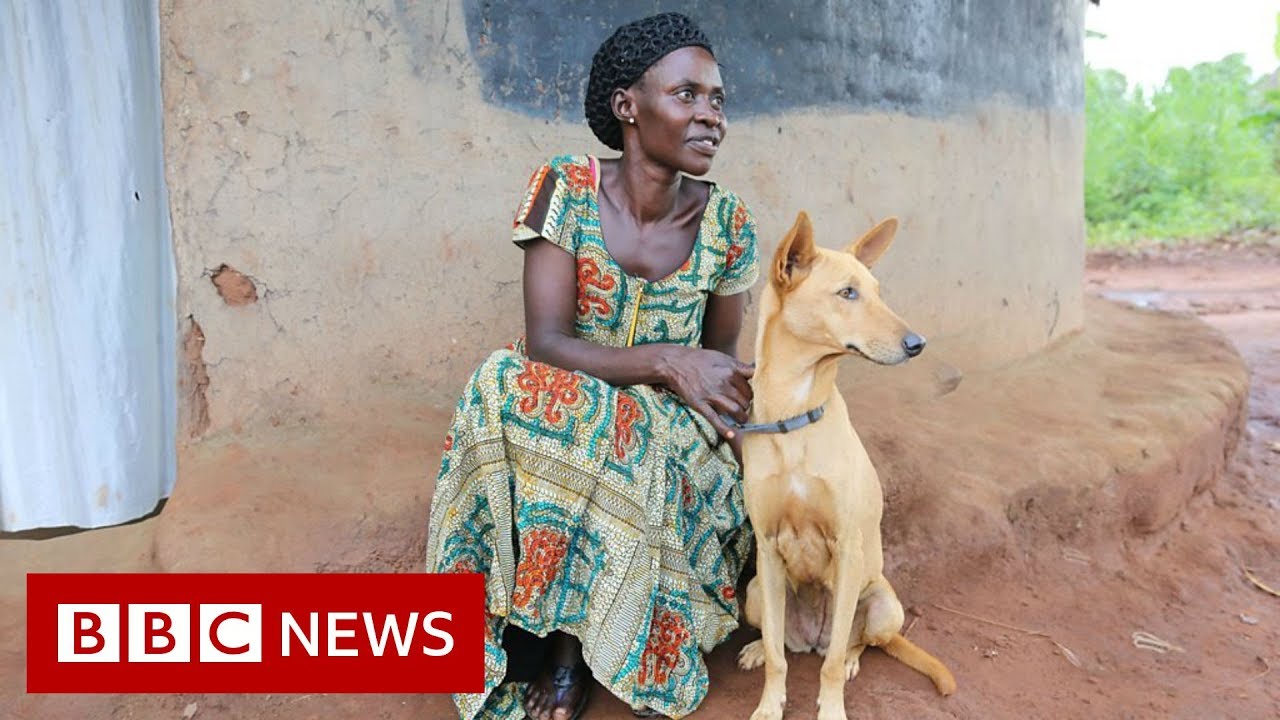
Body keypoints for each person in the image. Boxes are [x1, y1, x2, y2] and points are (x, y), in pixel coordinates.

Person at [425, 12, 759, 720]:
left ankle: (579, 652)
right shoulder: (564, 187)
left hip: (666, 426)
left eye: (718, 100)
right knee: (502, 382)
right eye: (687, 95)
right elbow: (546, 341)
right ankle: (523, 633)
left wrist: (731, 426)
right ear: (627, 107)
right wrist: (666, 361)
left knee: (628, 431)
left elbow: (720, 364)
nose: (710, 117)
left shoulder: (729, 225)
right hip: (569, 385)